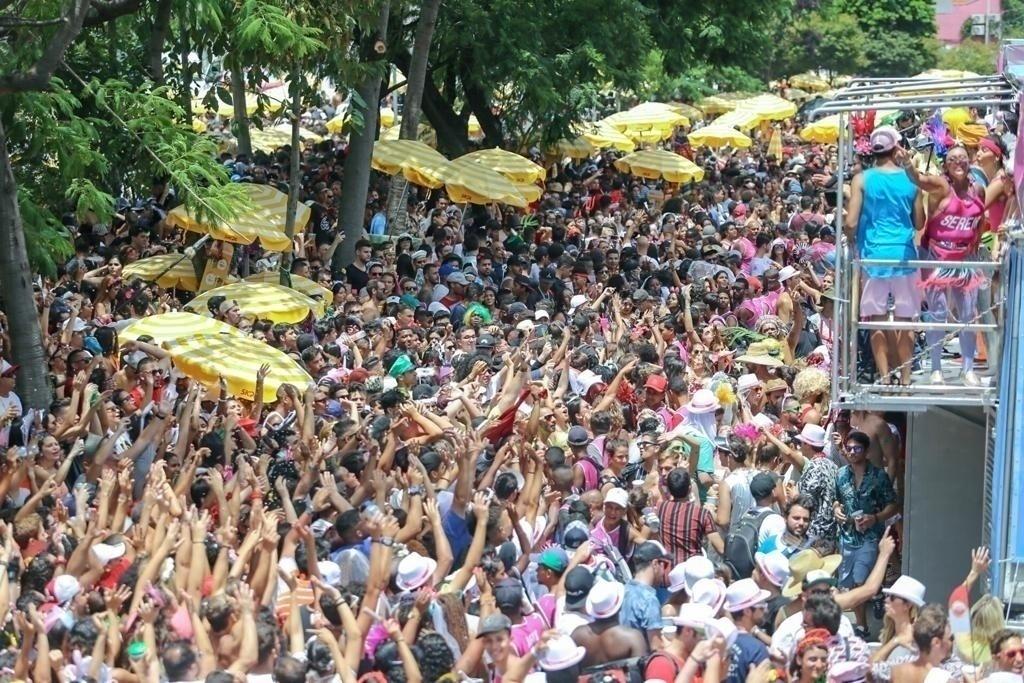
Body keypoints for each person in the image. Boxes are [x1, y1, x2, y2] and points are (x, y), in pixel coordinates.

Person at [900, 144, 987, 386]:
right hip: (937, 256)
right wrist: (907, 162)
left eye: (962, 158)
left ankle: (968, 368)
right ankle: (936, 368)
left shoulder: (978, 189)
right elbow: (917, 178)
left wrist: (974, 247)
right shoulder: (940, 185)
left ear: (969, 161)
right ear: (946, 166)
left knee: (968, 314)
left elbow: (980, 221)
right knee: (938, 313)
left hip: (963, 258)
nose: (958, 162)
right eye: (953, 159)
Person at [845, 125, 922, 387]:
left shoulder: (861, 180)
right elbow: (919, 221)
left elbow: (851, 222)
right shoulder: (911, 180)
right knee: (906, 319)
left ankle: (886, 376)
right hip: (904, 255)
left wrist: (851, 237)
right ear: (896, 148)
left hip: (873, 255)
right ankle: (906, 378)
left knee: (876, 318)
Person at [833, 429, 898, 635]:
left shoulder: (879, 476)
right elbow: (837, 500)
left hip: (870, 536)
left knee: (860, 577)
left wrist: (875, 518)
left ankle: (875, 591)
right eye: (848, 448)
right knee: (850, 583)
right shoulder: (841, 474)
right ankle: (861, 625)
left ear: (867, 451)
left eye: (857, 449)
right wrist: (837, 510)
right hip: (847, 535)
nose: (851, 452)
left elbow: (894, 505)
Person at [658, 467, 724, 565]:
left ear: (669, 489)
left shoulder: (661, 508)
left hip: (667, 569)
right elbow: (721, 549)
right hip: (692, 570)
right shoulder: (701, 514)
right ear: (689, 489)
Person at [891, 604, 957, 683]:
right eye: (950, 638)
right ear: (936, 642)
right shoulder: (945, 680)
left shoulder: (897, 671)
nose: (952, 642)